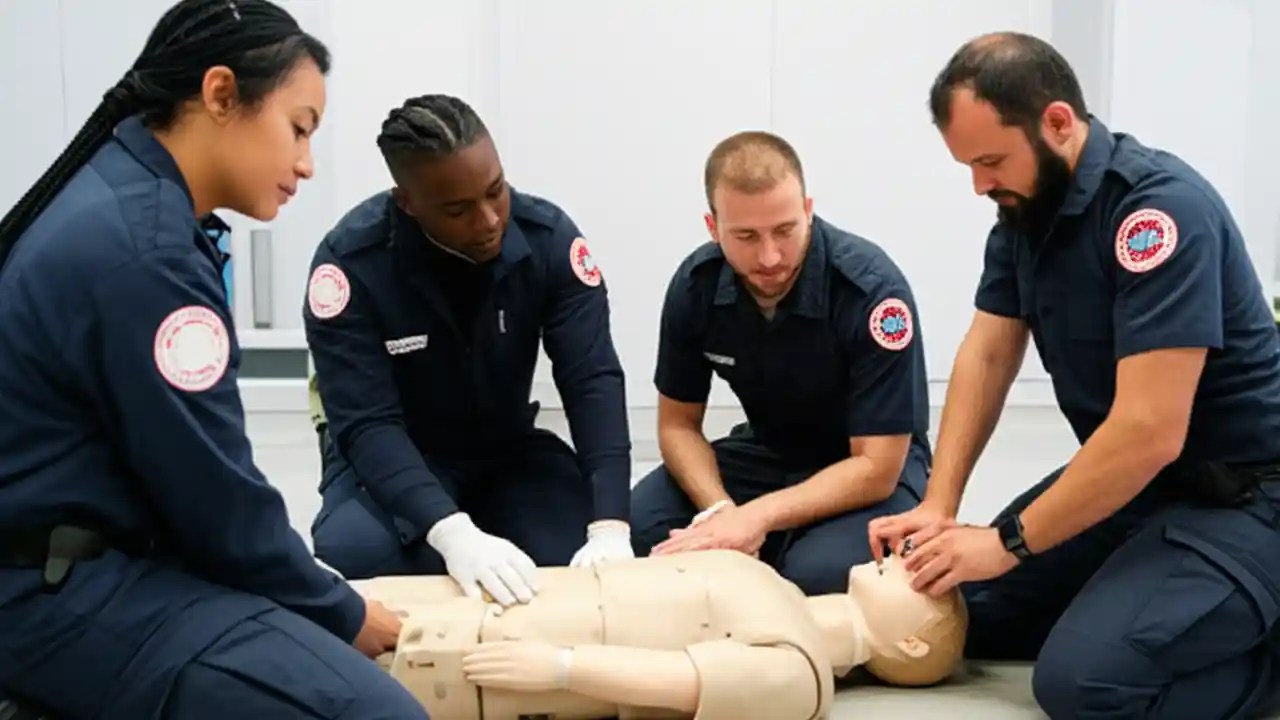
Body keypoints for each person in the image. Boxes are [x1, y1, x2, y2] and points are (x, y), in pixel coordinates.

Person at [0, 1, 427, 719]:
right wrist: (339, 608)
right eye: (298, 129)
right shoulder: (149, 251)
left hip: (86, 556)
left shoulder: (130, 198)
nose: (305, 164)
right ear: (222, 94)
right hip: (58, 593)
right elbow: (214, 493)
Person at [867, 31, 1280, 719]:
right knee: (964, 606)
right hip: (1143, 489)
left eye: (991, 160)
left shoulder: (1157, 213)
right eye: (968, 166)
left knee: (1083, 685)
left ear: (1057, 122)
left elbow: (1150, 431)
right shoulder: (1024, 212)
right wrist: (940, 506)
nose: (979, 185)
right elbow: (989, 353)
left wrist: (1005, 542)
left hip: (1244, 499)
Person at [305, 94, 634, 603]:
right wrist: (452, 533)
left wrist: (611, 525)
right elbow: (368, 424)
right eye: (458, 209)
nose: (487, 221)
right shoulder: (350, 266)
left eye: (495, 191)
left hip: (505, 449)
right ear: (407, 203)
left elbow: (591, 379)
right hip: (402, 452)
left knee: (569, 556)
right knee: (359, 556)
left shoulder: (548, 240)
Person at [629, 130, 933, 596]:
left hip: (863, 467)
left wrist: (755, 518)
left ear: (808, 210)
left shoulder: (872, 292)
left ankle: (766, 559)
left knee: (816, 575)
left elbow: (877, 467)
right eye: (746, 237)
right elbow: (677, 425)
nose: (770, 256)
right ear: (713, 229)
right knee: (639, 529)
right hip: (768, 453)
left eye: (786, 231)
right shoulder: (696, 286)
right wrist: (719, 512)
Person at [352, 550, 967, 719]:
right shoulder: (778, 588)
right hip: (509, 594)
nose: (914, 560)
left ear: (909, 644)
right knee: (326, 600)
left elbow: (682, 682)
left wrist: (562, 667)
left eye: (927, 584)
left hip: (481, 656)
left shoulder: (800, 674)